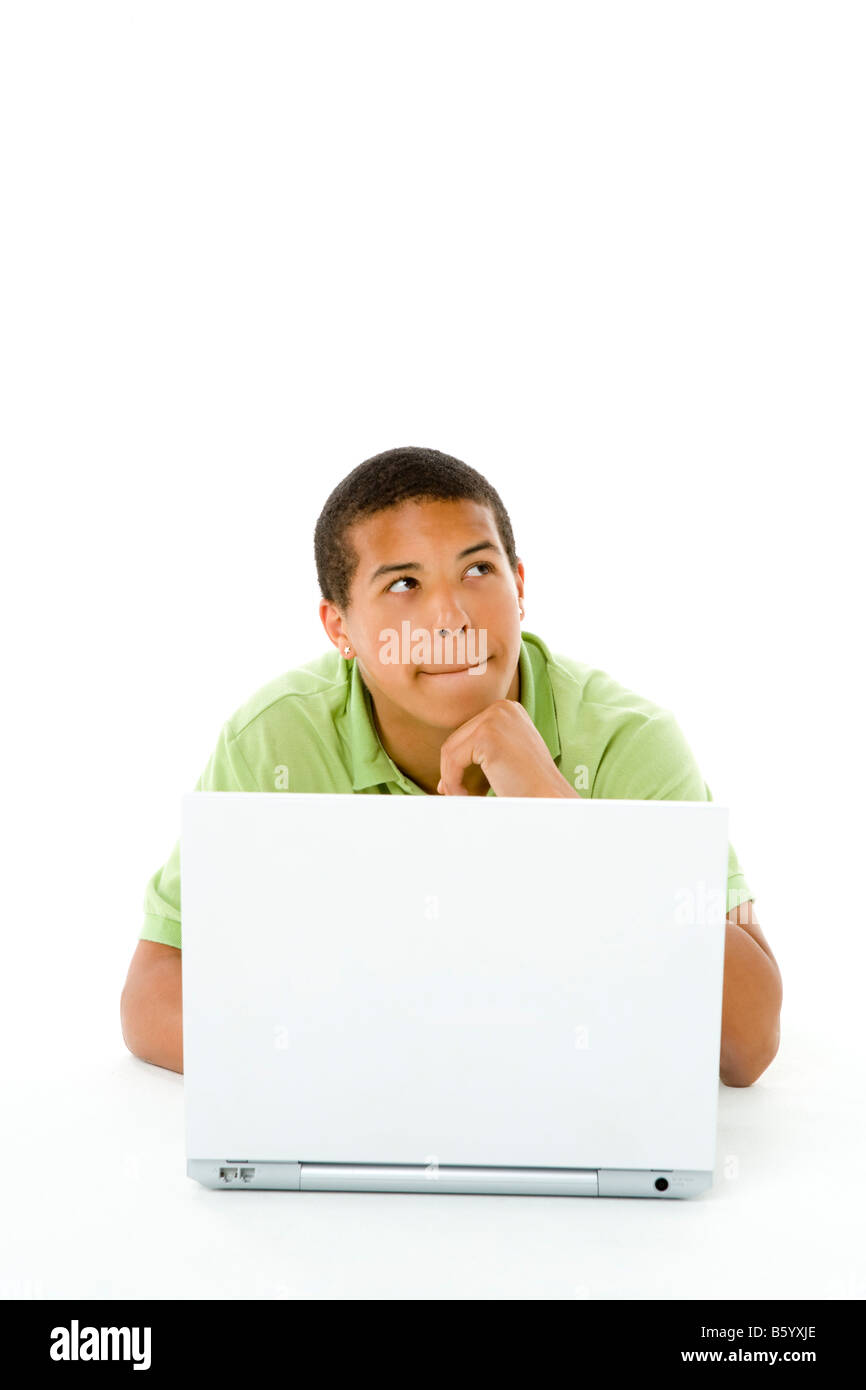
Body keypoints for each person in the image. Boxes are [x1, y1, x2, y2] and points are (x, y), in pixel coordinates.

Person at [120, 445, 782, 1083]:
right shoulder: (274, 742)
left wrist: (559, 817)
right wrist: (366, 1066)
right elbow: (154, 990)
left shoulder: (626, 740)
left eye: (477, 571)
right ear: (339, 627)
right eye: (404, 583)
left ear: (520, 586)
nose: (450, 618)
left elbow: (746, 1043)